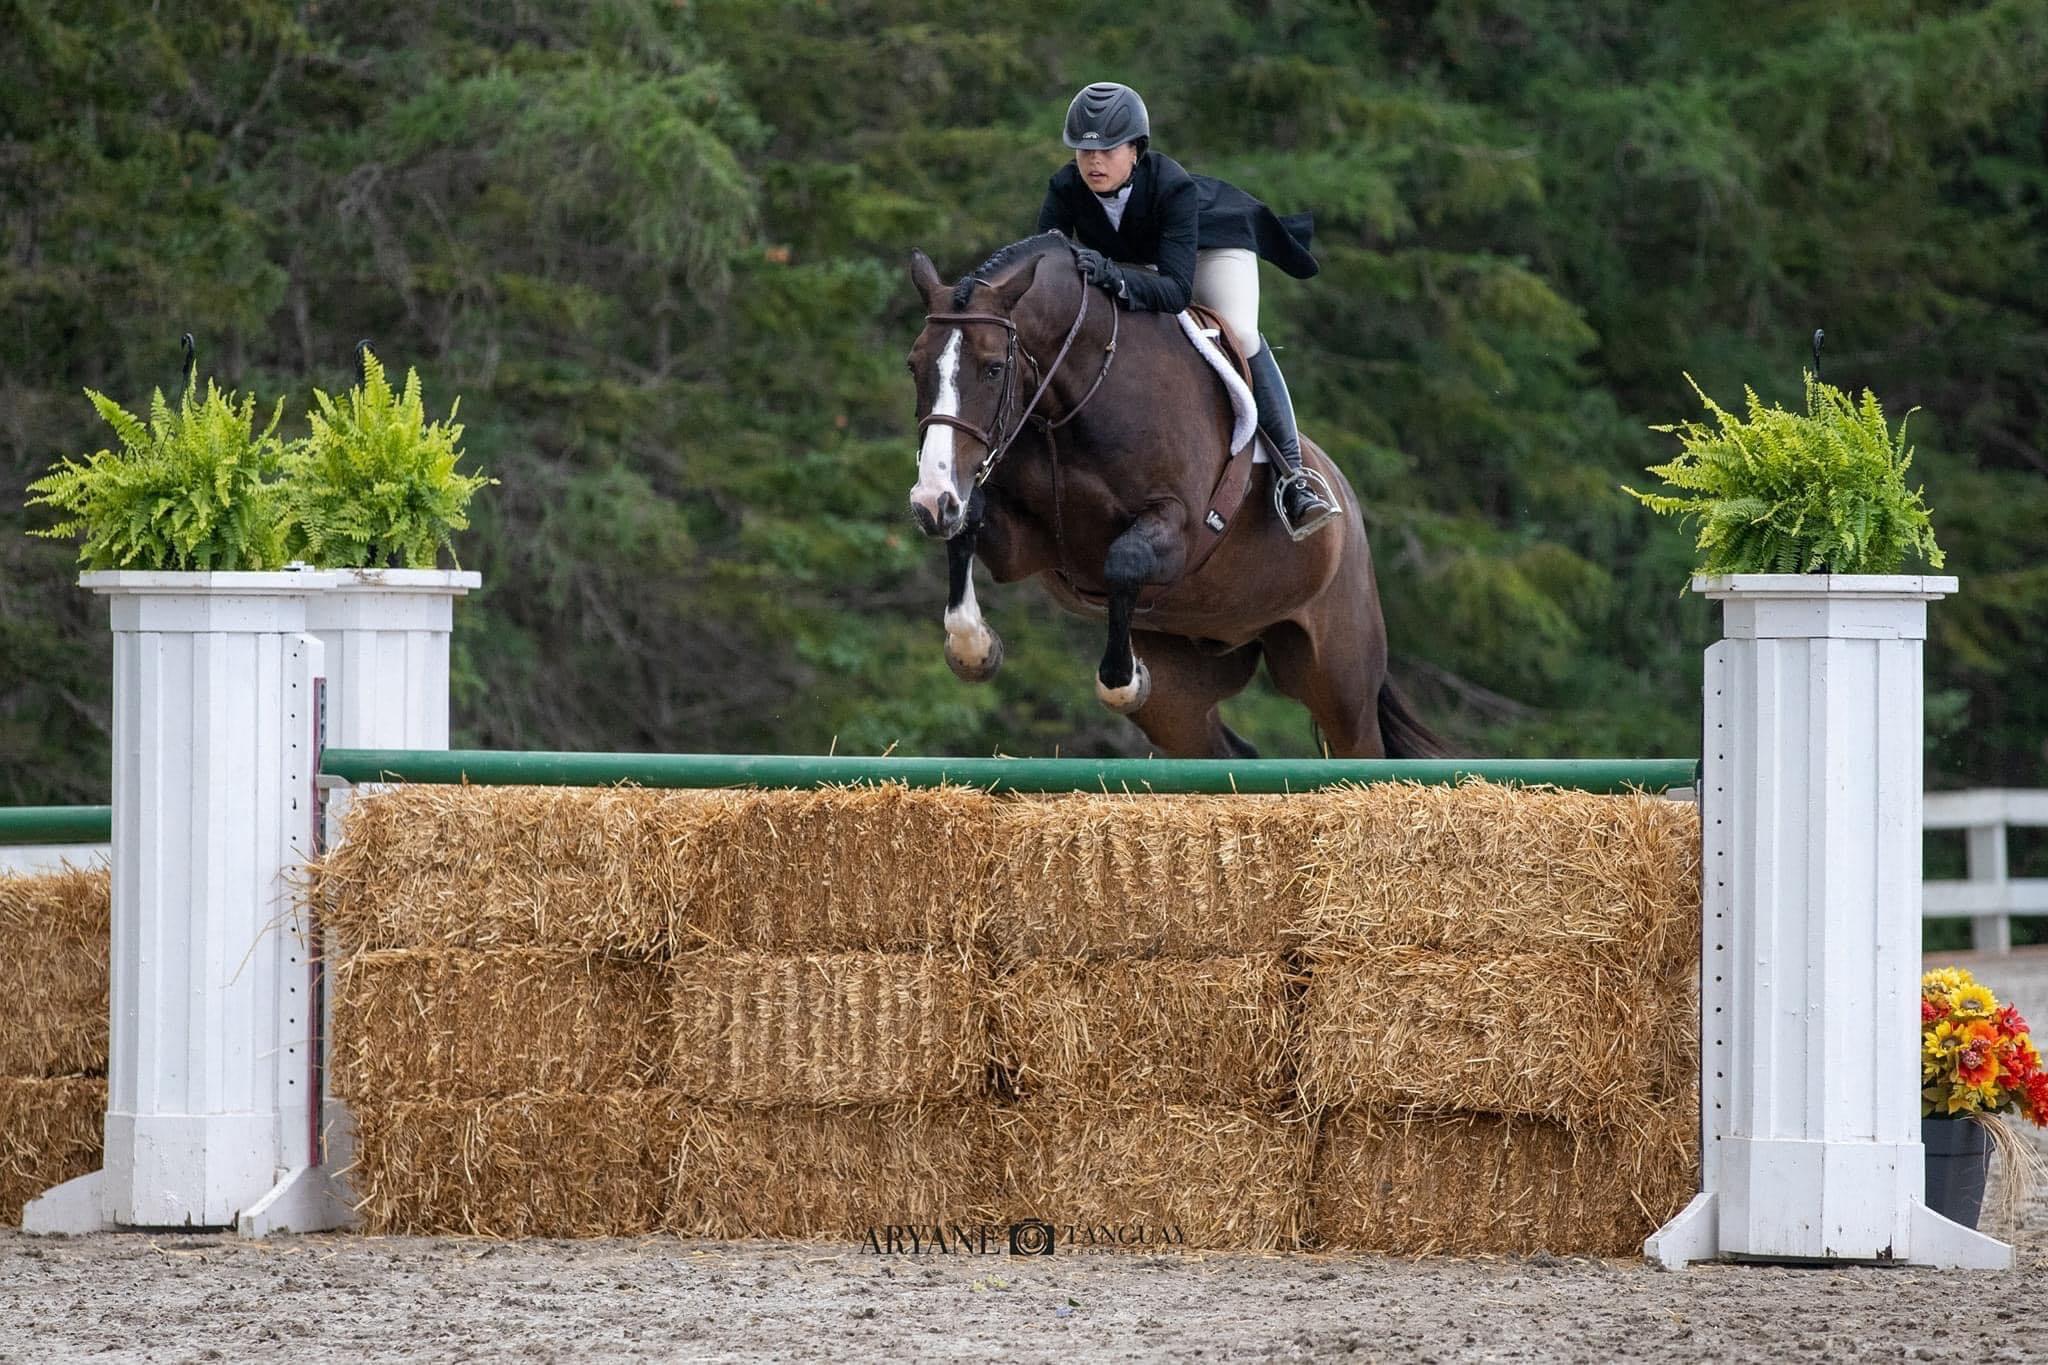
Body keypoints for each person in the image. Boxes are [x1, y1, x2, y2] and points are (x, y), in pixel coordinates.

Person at [1035, 81, 1337, 540]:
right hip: (1140, 260)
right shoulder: (1064, 186)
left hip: (1211, 248)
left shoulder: (1172, 186)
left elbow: (1175, 291)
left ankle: (1295, 479)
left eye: (1108, 150)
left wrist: (1112, 275)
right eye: (1083, 151)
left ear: (1136, 149)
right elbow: (1045, 260)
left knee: (1239, 330)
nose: (1093, 161)